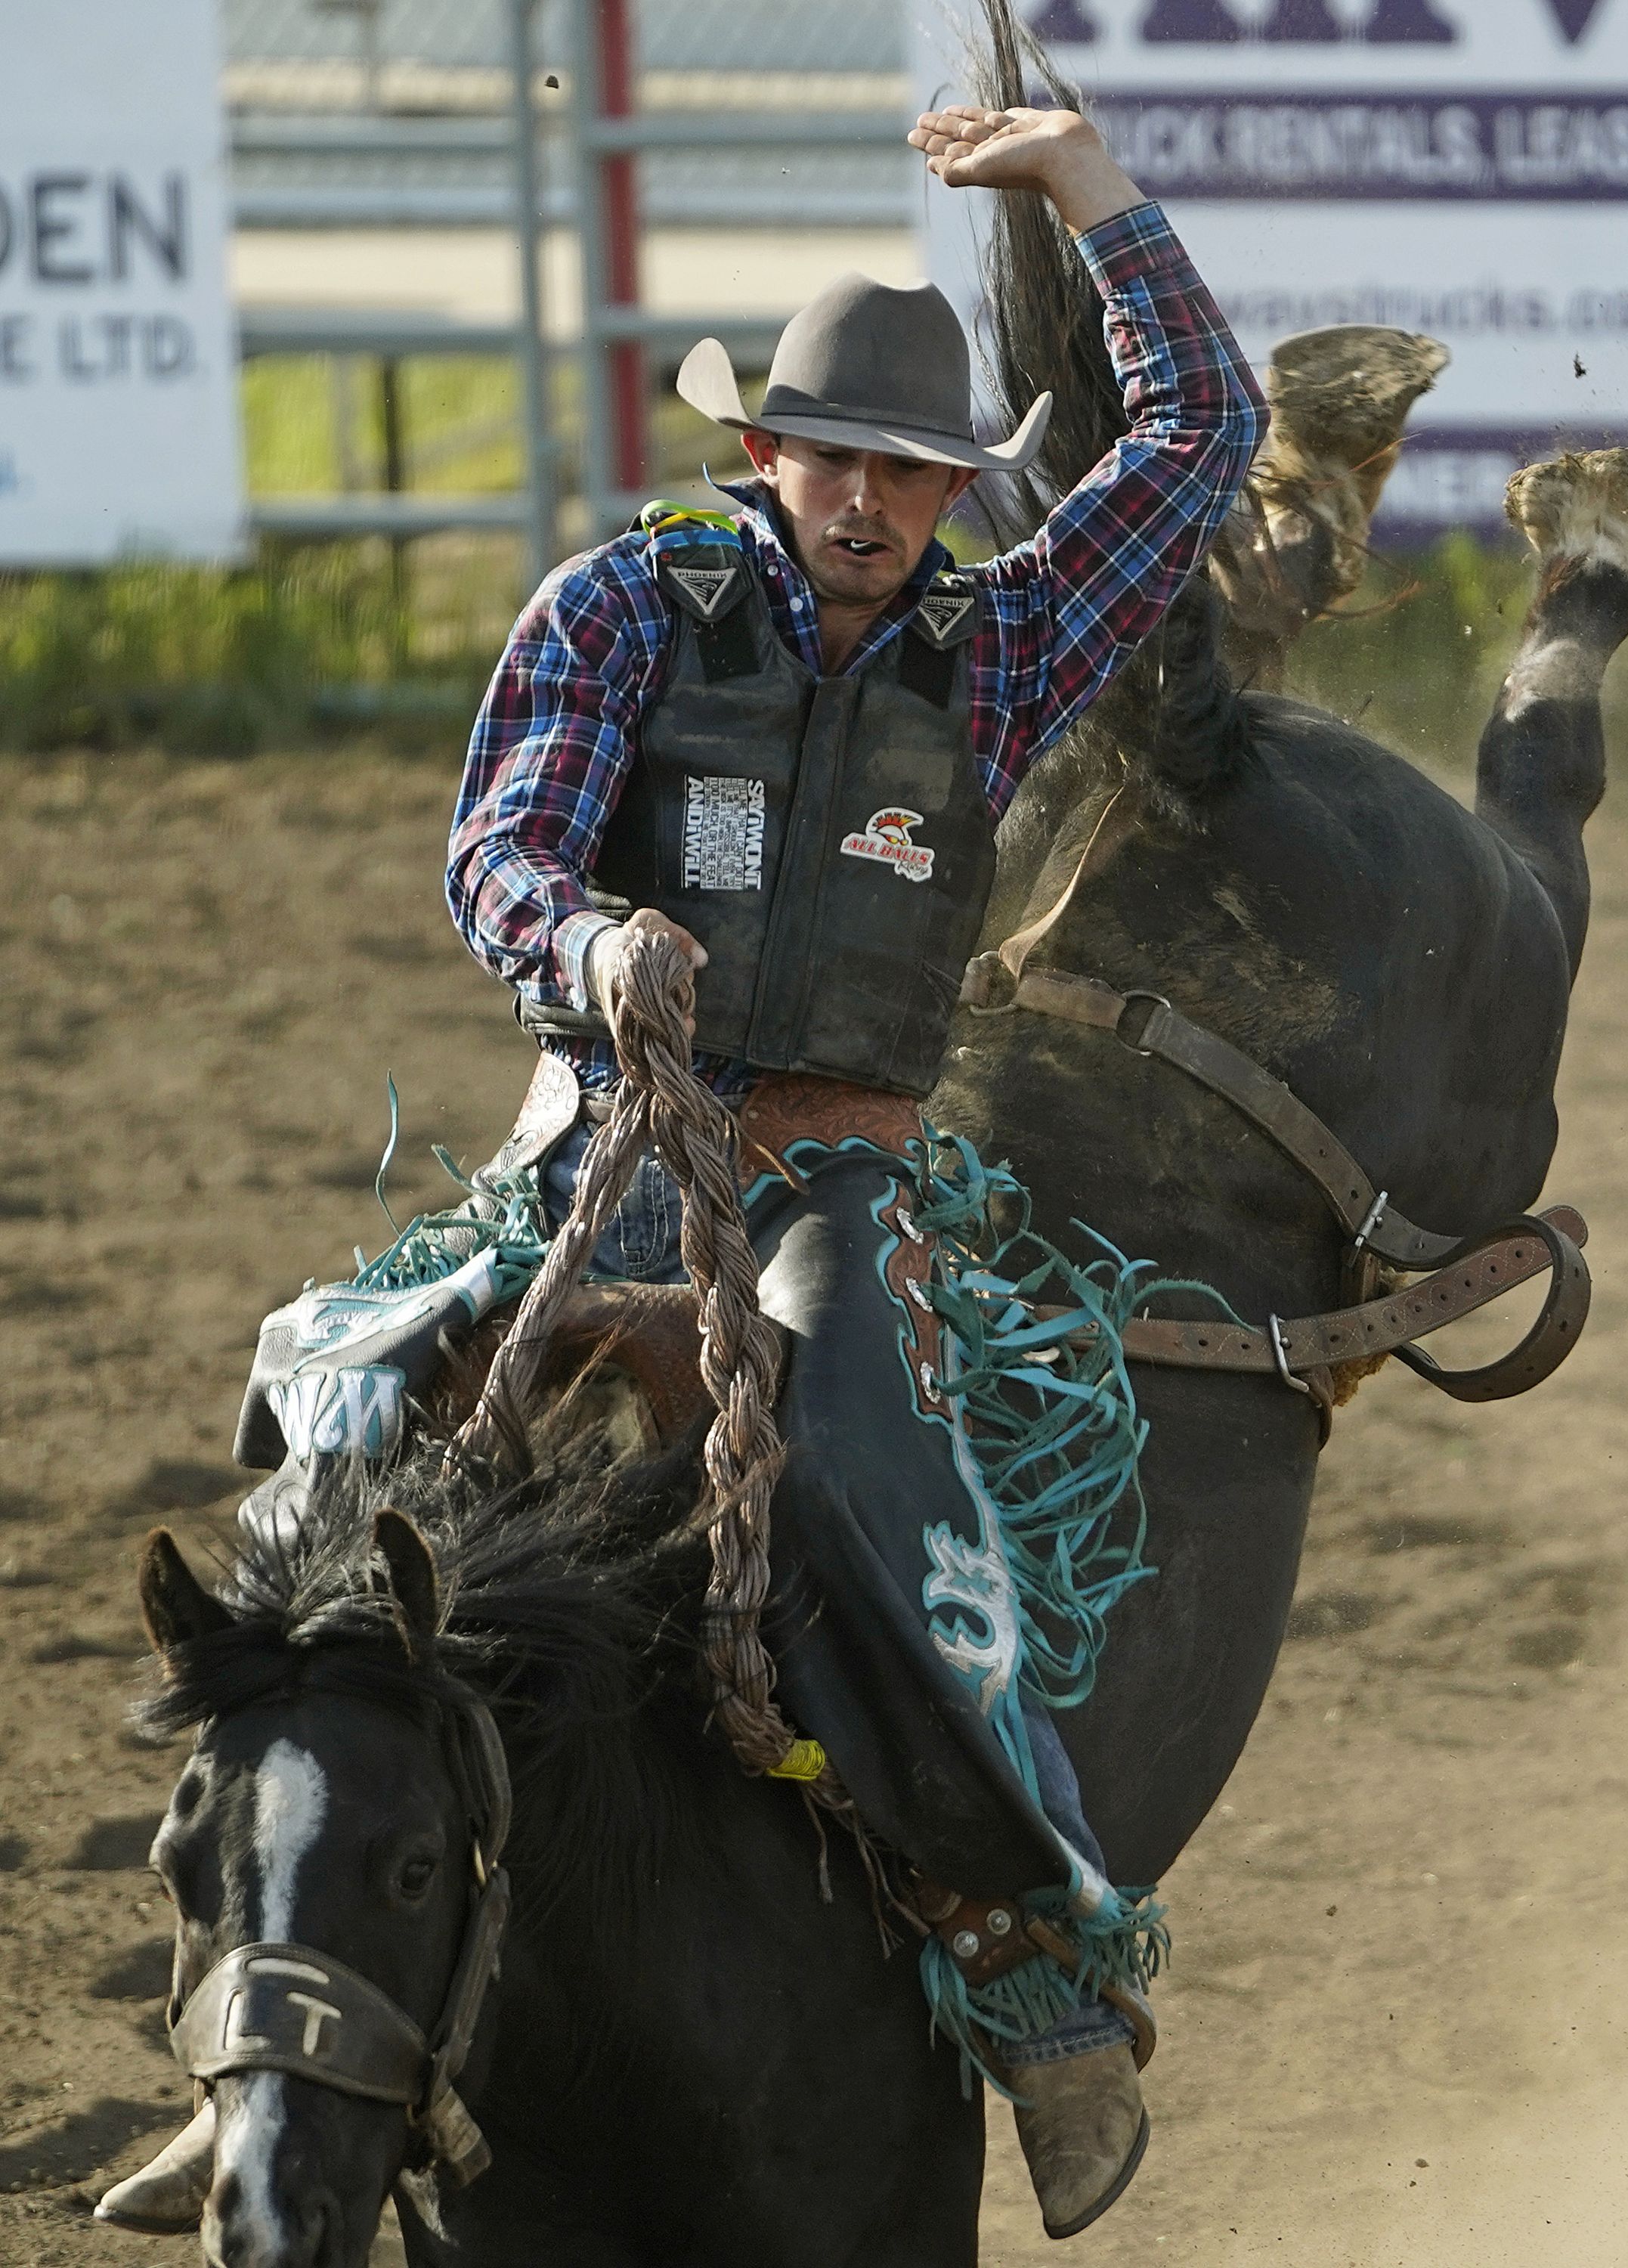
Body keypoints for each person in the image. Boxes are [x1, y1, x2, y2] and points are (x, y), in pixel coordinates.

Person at [99, 100, 1265, 2246]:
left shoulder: (990, 656)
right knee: (327, 1405)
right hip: (595, 1145)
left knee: (846, 1452)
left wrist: (1092, 193)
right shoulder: (629, 611)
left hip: (830, 1191)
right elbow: (498, 850)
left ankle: (1018, 1958)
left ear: (947, 492)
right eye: (836, 458)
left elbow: (1199, 441)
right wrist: (588, 934)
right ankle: (261, 2018)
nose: (871, 502)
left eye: (912, 472)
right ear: (770, 462)